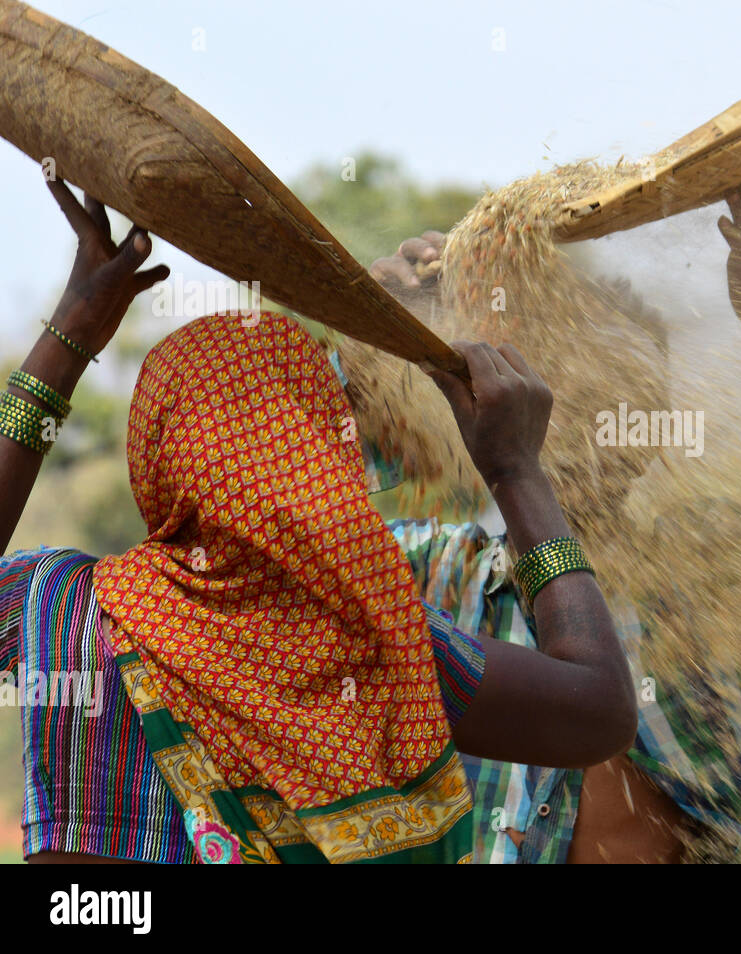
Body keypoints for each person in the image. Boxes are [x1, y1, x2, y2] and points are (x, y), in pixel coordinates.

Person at [0, 180, 636, 863]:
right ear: (320, 458)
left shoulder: (58, 610)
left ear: (152, 461)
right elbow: (597, 712)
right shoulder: (366, 634)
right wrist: (515, 470)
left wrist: (72, 333)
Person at [362, 174, 741, 862]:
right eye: (572, 378)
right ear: (505, 401)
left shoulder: (693, 573)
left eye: (628, 393)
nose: (600, 418)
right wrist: (377, 350)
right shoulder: (430, 575)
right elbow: (274, 536)